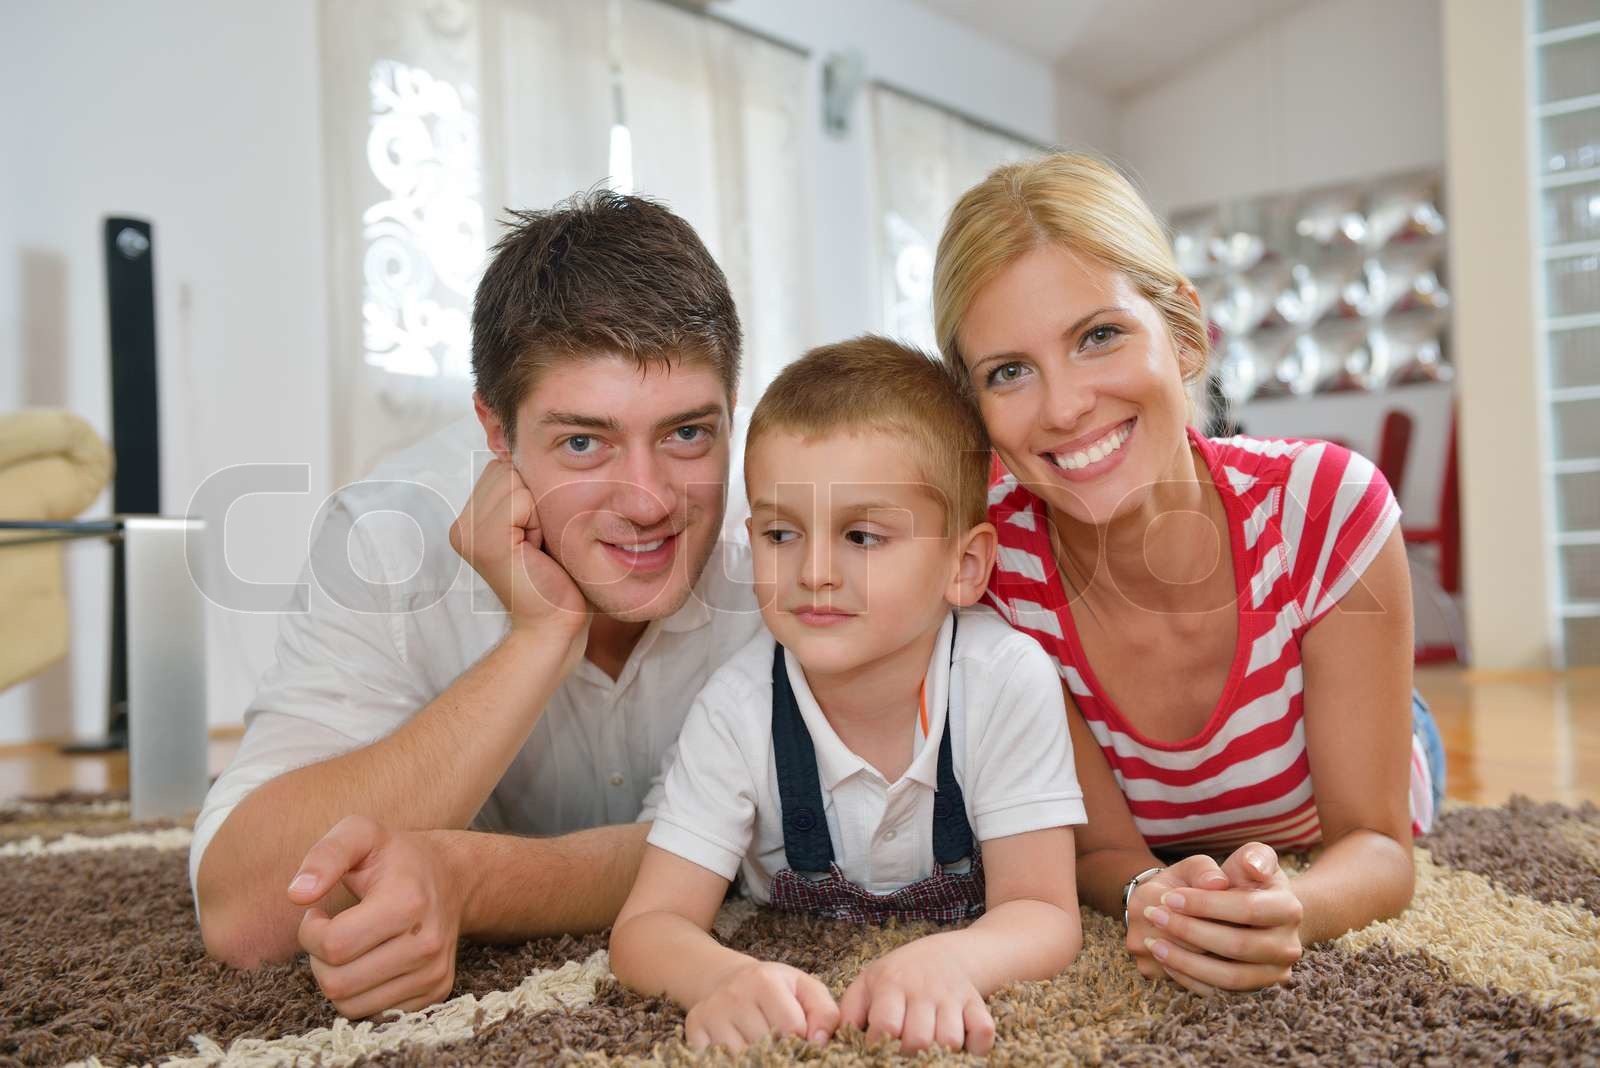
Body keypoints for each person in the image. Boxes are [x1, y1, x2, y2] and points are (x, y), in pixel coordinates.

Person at [192, 190, 765, 1019]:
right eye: (583, 442)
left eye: (687, 434)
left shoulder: (783, 537)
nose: (648, 501)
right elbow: (245, 914)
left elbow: (740, 844)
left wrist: (466, 879)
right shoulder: (389, 538)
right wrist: (541, 637)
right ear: (496, 432)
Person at [930, 153, 1448, 996]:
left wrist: (1297, 905)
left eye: (1099, 335)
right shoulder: (994, 570)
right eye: (1009, 372)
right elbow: (1101, 851)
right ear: (977, 407)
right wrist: (1149, 894)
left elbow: (1379, 848)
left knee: (1403, 747)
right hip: (1169, 820)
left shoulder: (1321, 504)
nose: (1063, 408)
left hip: (1334, 750)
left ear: (1184, 334)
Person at [609, 338, 1086, 1055]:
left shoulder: (1007, 679)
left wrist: (952, 959)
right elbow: (647, 928)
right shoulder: (735, 709)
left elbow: (1044, 910)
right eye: (781, 534)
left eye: (862, 535)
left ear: (964, 566)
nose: (816, 571)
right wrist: (718, 977)